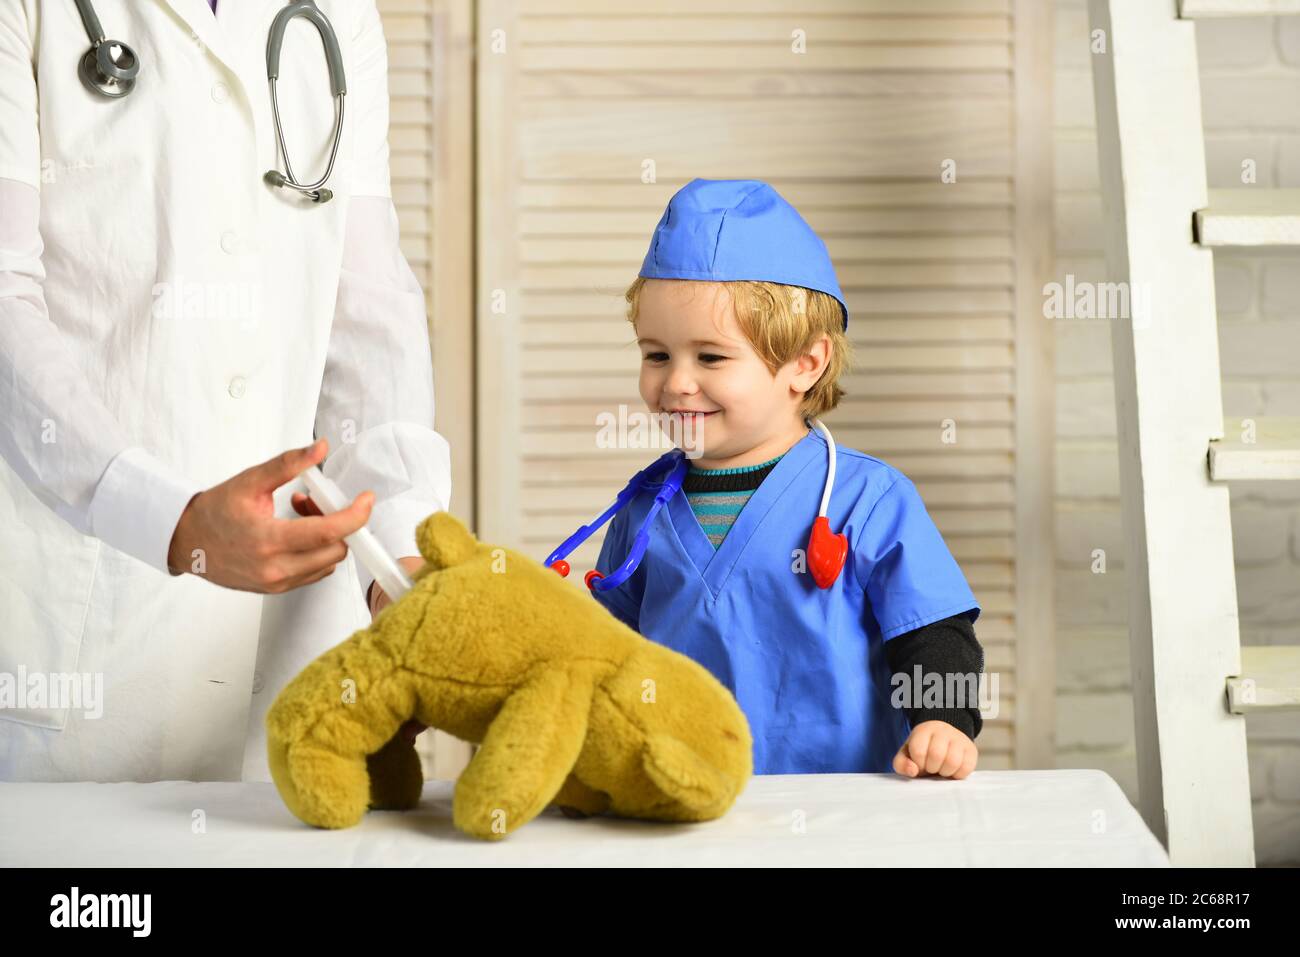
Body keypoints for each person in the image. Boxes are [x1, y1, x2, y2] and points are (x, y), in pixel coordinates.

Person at [0, 1, 444, 782]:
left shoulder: (343, 17)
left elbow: (371, 309)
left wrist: (400, 559)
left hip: (288, 635)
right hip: (80, 619)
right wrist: (169, 516)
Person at [591, 179, 986, 778]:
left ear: (806, 363)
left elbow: (933, 629)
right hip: (678, 801)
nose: (675, 383)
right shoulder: (643, 508)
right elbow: (606, 649)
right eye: (656, 355)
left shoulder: (868, 500)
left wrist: (942, 722)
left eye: (711, 357)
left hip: (840, 811)